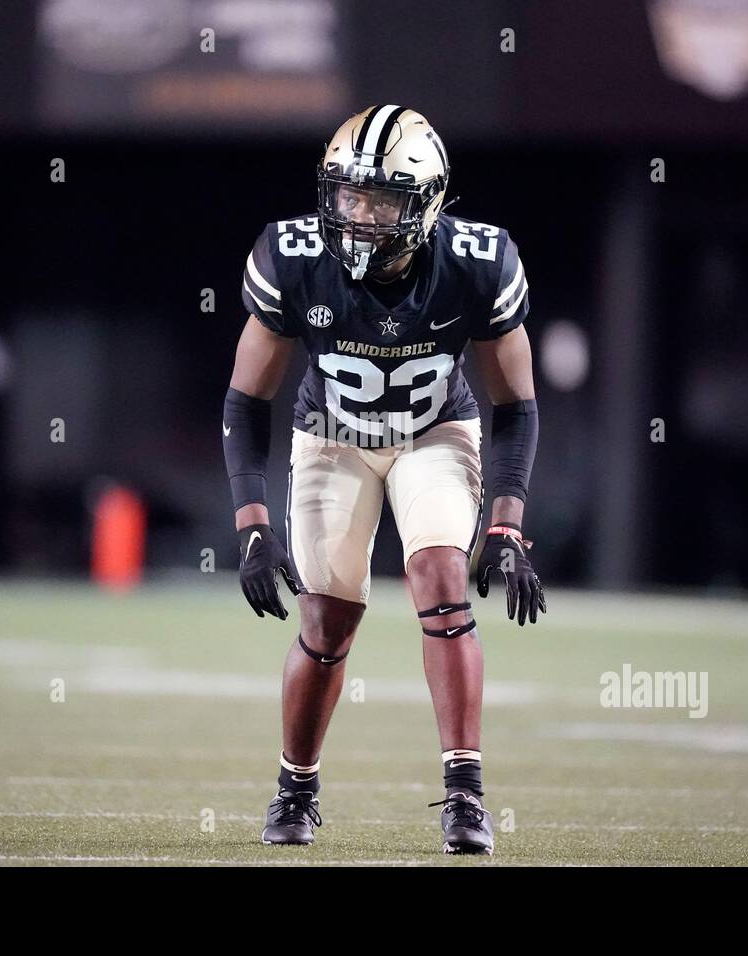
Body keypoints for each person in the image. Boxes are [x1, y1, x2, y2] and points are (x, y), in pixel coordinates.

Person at [221, 106, 545, 855]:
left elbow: (515, 407)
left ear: (426, 204)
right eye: (348, 196)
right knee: (327, 619)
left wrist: (506, 521)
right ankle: (295, 788)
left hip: (435, 431)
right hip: (331, 436)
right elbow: (246, 399)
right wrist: (251, 524)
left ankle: (465, 797)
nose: (359, 216)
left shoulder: (479, 262)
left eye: (381, 201)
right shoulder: (292, 256)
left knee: (440, 575)